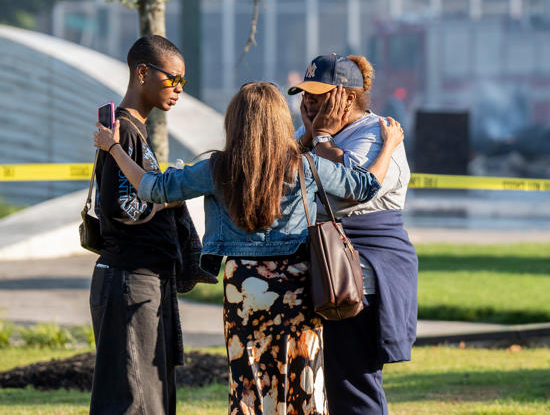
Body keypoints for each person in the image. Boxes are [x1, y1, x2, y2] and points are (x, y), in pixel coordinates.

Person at [93, 82, 405, 415]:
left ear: (235, 122)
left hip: (243, 287)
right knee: (302, 379)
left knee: (250, 381)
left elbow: (151, 188)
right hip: (298, 287)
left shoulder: (216, 168)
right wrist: (388, 144)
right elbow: (366, 185)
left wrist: (114, 148)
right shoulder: (306, 165)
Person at [290, 54, 418, 415]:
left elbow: (352, 187)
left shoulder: (376, 133)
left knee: (352, 386)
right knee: (323, 384)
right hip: (328, 266)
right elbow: (283, 174)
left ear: (346, 96)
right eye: (305, 93)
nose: (309, 101)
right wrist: (316, 137)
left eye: (318, 94)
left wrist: (322, 138)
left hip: (360, 272)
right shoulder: (313, 134)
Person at [89, 35, 188, 414]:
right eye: (172, 79)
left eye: (184, 82)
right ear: (143, 72)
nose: (178, 89)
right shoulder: (126, 132)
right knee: (134, 401)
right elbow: (119, 208)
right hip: (129, 278)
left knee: (149, 396)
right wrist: (169, 198)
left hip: (139, 277)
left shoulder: (134, 131)